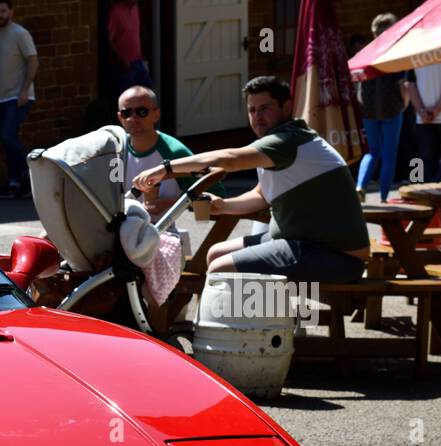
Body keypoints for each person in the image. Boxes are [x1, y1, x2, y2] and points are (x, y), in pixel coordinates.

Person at [133, 75, 369, 282]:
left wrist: (166, 169)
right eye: (252, 110)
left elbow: (230, 159)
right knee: (214, 253)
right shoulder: (277, 143)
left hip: (335, 255)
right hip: (300, 242)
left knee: (221, 268)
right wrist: (223, 205)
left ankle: (247, 331)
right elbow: (261, 195)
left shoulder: (287, 141)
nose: (257, 117)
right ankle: (252, 323)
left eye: (265, 108)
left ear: (286, 107)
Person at [117, 85, 218, 222]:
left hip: (166, 233)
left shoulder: (175, 152)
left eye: (141, 111)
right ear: (120, 117)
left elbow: (217, 195)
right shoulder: (115, 152)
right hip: (123, 231)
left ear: (156, 114)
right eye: (127, 113)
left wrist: (171, 203)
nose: (133, 118)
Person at [0, 1, 38, 199]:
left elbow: (33, 60)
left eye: (3, 11)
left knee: (8, 136)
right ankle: (15, 182)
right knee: (7, 141)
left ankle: (28, 175)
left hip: (19, 96)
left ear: (11, 12)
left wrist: (24, 90)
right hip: (1, 97)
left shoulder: (20, 33)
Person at [356, 14, 407, 201]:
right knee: (389, 153)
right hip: (392, 108)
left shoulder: (365, 53)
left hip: (369, 110)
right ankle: (384, 197)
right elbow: (403, 84)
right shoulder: (394, 53)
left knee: (371, 151)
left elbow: (357, 82)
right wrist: (405, 103)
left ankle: (361, 185)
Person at [402, 58, 441, 183]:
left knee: (425, 158)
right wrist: (436, 109)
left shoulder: (413, 53)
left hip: (426, 117)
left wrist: (421, 110)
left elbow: (409, 83)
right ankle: (437, 183)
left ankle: (424, 186)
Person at [106, 0, 151, 97]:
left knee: (148, 93)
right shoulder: (116, 11)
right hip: (125, 65)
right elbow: (109, 40)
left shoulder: (135, 9)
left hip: (138, 61)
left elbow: (136, 33)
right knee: (127, 99)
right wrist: (122, 60)